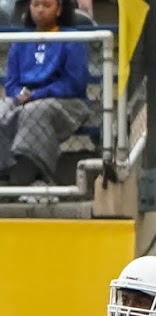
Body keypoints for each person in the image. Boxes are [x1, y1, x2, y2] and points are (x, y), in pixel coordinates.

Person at [1, 0, 92, 186]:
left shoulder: (71, 39)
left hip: (66, 101)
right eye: (35, 5)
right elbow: (11, 82)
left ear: (58, 9)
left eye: (46, 5)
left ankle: (30, 177)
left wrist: (37, 94)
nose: (40, 10)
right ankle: (6, 172)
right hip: (24, 98)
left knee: (35, 111)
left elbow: (74, 83)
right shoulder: (21, 41)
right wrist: (20, 94)